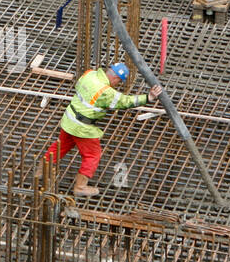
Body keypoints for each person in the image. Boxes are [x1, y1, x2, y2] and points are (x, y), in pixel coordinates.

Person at [44, 63, 162, 197]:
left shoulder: (89, 74)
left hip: (69, 119)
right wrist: (148, 97)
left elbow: (79, 88)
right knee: (92, 155)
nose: (118, 85)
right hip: (83, 128)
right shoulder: (106, 92)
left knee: (60, 147)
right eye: (119, 82)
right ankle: (80, 187)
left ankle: (40, 172)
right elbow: (124, 101)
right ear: (116, 78)